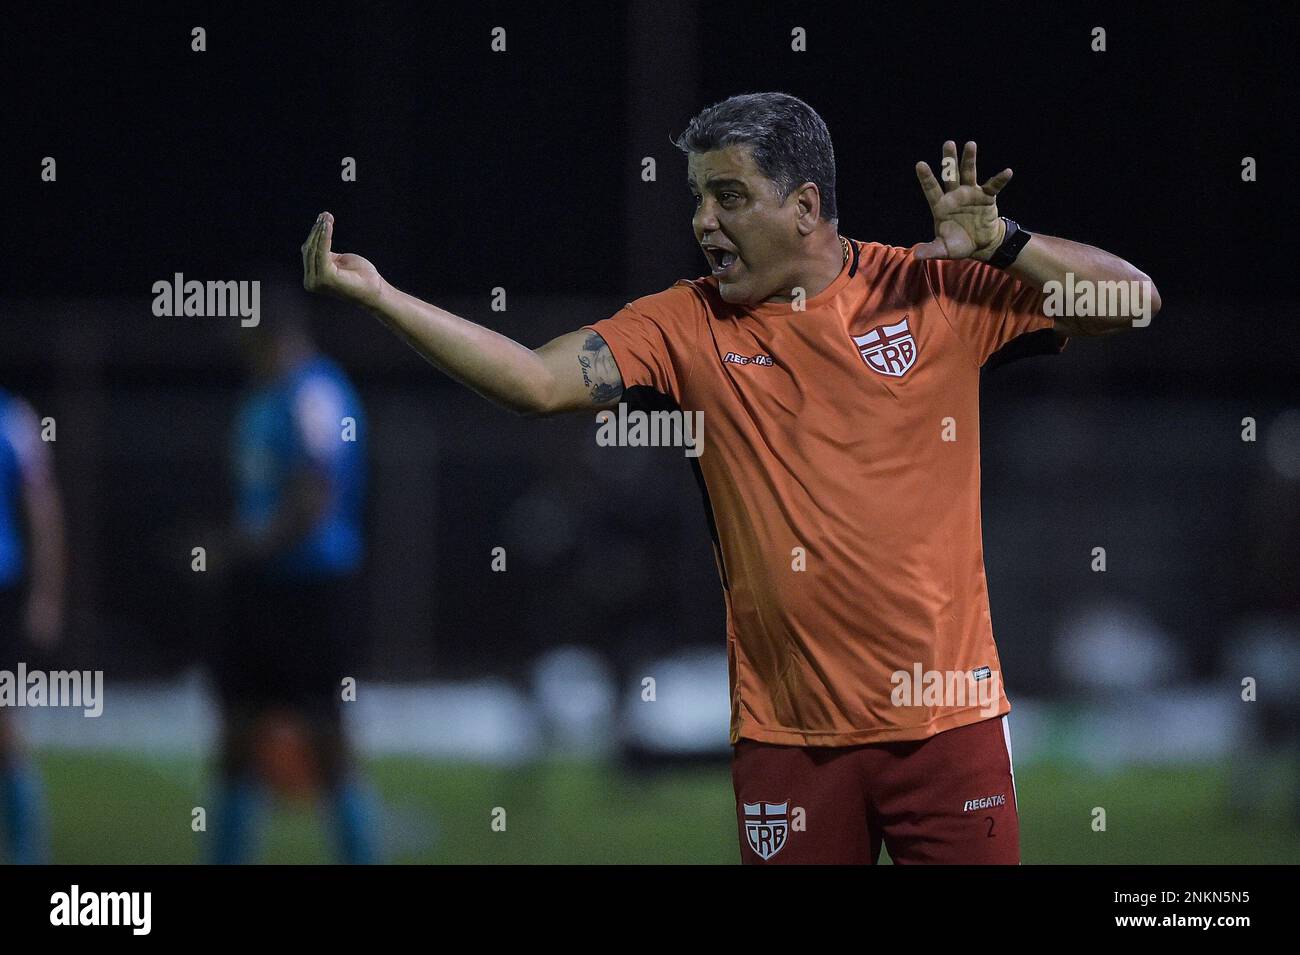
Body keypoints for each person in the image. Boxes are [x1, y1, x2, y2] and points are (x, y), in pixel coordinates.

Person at [300, 92, 1161, 864]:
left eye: (731, 196)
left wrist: (1010, 246)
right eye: (698, 199)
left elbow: (1135, 303)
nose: (705, 222)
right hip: (788, 742)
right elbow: (536, 380)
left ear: (806, 208)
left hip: (948, 729)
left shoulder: (928, 289)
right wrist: (382, 297)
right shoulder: (686, 324)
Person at [206, 307, 377, 864]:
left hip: (313, 590)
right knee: (237, 734)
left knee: (327, 739)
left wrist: (240, 548)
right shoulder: (262, 398)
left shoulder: (315, 394)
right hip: (259, 591)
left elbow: (314, 496)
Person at [0, 389, 66, 864]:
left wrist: (46, 595)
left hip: (0, 589)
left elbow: (42, 511)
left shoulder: (13, 419)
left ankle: (29, 855)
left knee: (4, 732)